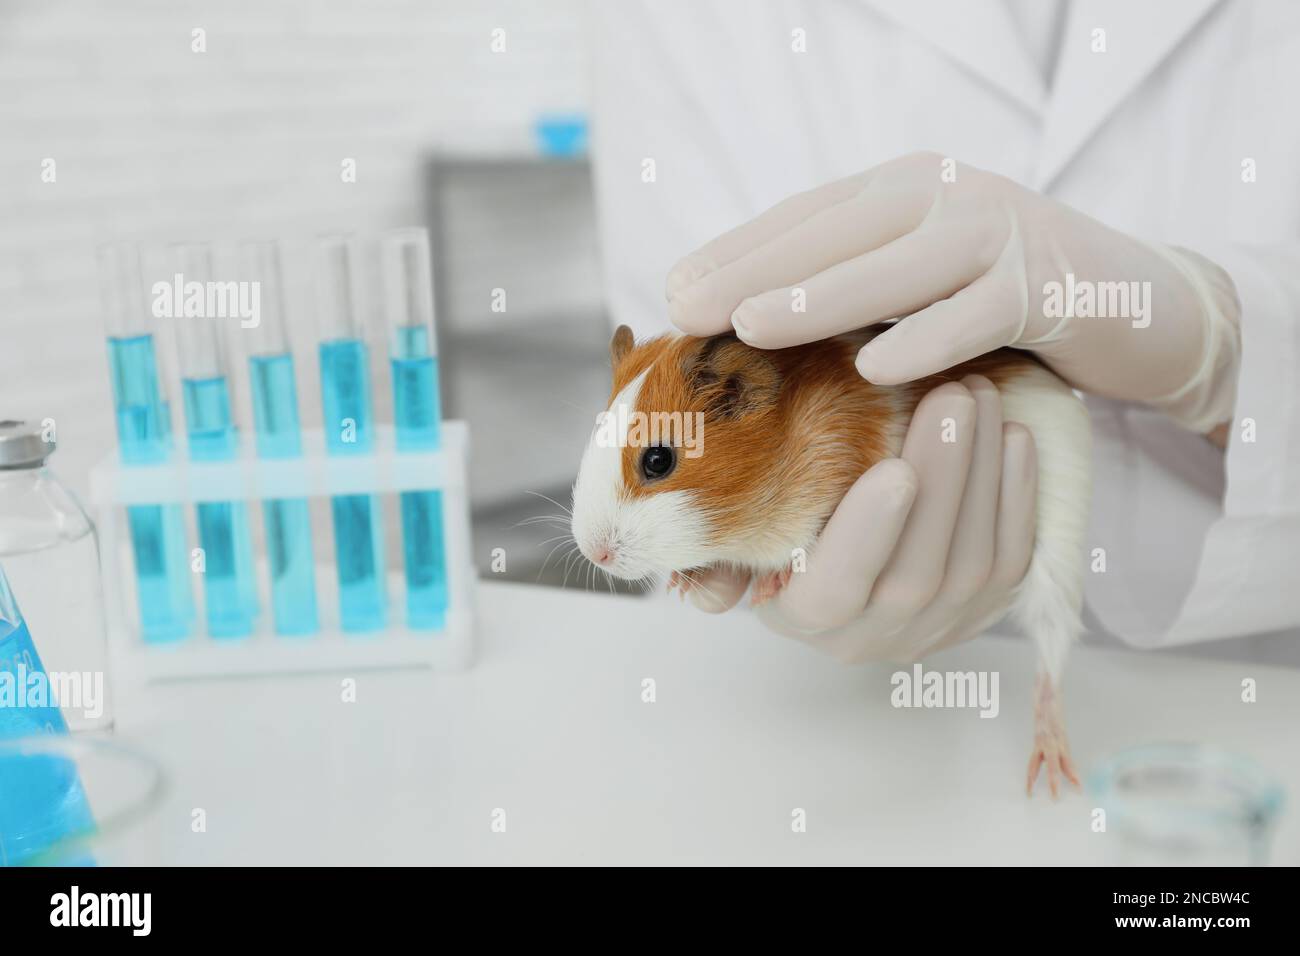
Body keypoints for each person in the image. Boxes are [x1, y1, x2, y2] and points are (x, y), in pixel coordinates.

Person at [586, 0, 1300, 662]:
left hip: (1244, 679)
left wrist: (1226, 347)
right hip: (815, 706)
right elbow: (667, 335)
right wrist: (765, 574)